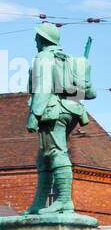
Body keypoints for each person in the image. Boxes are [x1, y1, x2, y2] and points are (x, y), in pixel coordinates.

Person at [25, 20, 96, 216]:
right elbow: (89, 92)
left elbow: (43, 88)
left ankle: (64, 200)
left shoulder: (44, 58)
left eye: (37, 36)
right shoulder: (68, 59)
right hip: (70, 111)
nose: (35, 39)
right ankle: (39, 203)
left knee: (56, 153)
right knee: (44, 158)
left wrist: (34, 115)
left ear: (42, 39)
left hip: (52, 112)